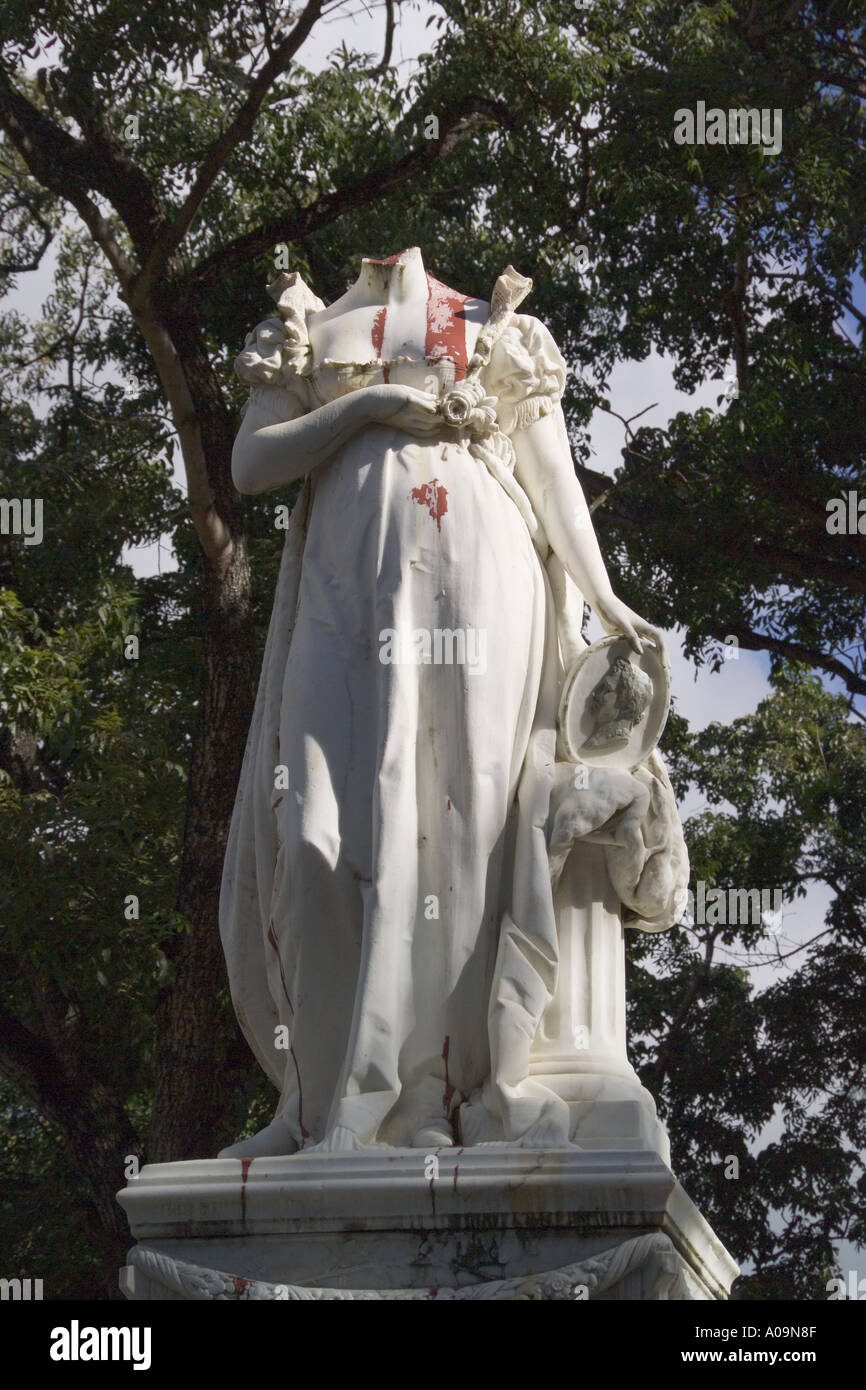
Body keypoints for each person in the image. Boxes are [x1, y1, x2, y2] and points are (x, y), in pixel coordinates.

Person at [219, 247, 667, 1156]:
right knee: (313, 827)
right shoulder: (309, 326)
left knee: (460, 836)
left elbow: (552, 478)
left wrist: (605, 593)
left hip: (480, 585)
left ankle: (432, 1094)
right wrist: (368, 407)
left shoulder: (495, 327)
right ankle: (325, 1100)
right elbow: (251, 467)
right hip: (344, 595)